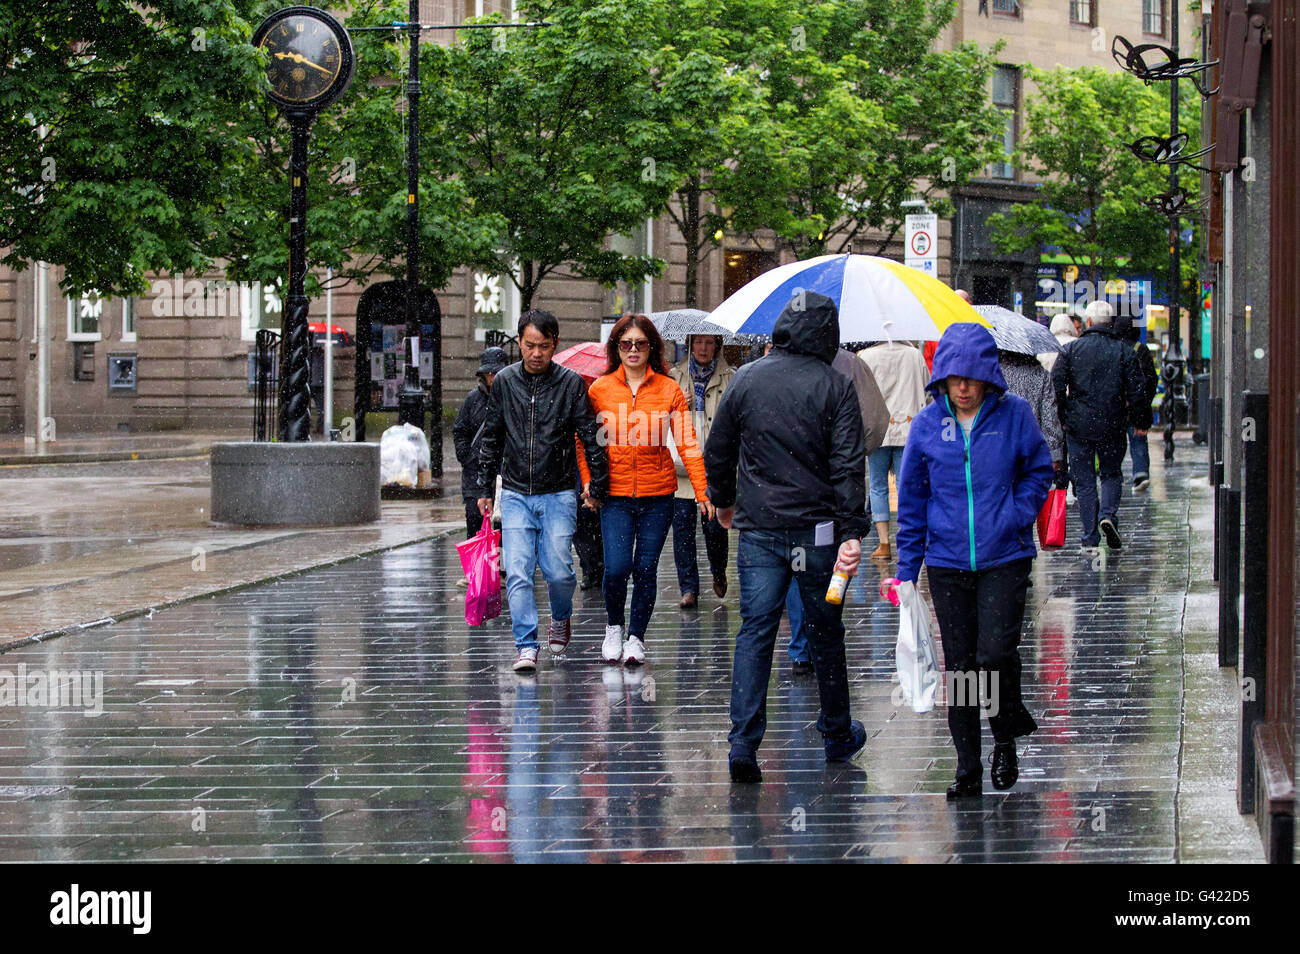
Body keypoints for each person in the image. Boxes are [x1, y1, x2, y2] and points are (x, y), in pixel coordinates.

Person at [705, 291, 868, 783]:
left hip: (758, 527)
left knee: (755, 631)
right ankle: (837, 731)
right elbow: (847, 467)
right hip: (818, 531)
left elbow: (718, 447)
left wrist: (725, 499)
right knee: (825, 632)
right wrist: (851, 531)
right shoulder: (835, 386)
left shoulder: (747, 380)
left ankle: (743, 743)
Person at [894, 322, 1053, 798]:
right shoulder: (926, 425)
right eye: (953, 378)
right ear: (941, 378)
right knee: (961, 667)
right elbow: (913, 499)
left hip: (1005, 555)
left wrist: (1016, 512)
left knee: (995, 654)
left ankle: (1004, 734)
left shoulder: (1014, 414)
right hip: (946, 562)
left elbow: (1039, 468)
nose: (962, 387)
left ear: (988, 377)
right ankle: (967, 766)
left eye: (971, 377)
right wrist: (906, 572)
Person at [475, 310, 610, 673]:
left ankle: (561, 616)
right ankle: (526, 644)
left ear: (555, 345)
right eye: (529, 345)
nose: (536, 353)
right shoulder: (503, 381)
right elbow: (492, 435)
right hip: (517, 492)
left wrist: (596, 485)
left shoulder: (569, 384)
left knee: (559, 571)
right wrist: (485, 486)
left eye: (544, 346)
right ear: (519, 342)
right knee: (517, 571)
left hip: (559, 492)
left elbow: (590, 434)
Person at [578, 314, 711, 667]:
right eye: (625, 343)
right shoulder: (600, 389)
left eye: (640, 343)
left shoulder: (668, 389)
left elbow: (687, 442)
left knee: (646, 568)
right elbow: (583, 440)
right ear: (616, 348)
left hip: (658, 495)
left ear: (651, 347)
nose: (633, 349)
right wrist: (588, 479)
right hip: (615, 496)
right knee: (618, 567)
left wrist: (701, 490)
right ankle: (614, 626)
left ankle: (637, 636)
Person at [782, 345, 888, 675]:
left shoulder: (777, 365)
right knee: (830, 562)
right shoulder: (851, 365)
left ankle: (802, 646)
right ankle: (822, 640)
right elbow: (875, 422)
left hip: (792, 487)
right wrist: (848, 454)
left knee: (799, 562)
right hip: (834, 489)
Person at [1050, 299, 1149, 553]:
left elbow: (1057, 387)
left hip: (1079, 426)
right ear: (1110, 323)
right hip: (1113, 423)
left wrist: (1063, 416)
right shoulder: (1124, 351)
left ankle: (1089, 537)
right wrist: (1141, 420)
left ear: (1089, 323)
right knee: (1111, 473)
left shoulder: (1071, 350)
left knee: (1083, 481)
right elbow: (1138, 389)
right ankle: (1108, 515)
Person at [668, 333, 734, 608]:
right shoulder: (674, 376)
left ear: (716, 346)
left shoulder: (730, 377)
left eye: (709, 343)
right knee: (682, 529)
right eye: (698, 342)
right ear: (689, 344)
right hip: (682, 466)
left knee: (715, 529)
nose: (703, 348)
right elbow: (657, 414)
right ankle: (688, 588)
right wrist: (675, 403)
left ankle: (718, 571)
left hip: (713, 465)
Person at [859, 339, 930, 562]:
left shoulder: (865, 357)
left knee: (878, 486)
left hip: (877, 430)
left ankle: (884, 543)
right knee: (905, 485)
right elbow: (928, 393)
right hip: (909, 430)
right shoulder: (914, 356)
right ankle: (908, 539)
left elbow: (859, 395)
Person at [453, 347, 508, 545]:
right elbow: (460, 430)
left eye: (496, 373)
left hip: (503, 472)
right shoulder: (473, 400)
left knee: (504, 524)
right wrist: (466, 456)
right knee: (475, 520)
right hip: (475, 471)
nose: (492, 377)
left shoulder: (511, 398)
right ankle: (478, 569)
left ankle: (502, 568)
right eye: (489, 373)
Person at [1115, 313, 1159, 492]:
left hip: (1116, 405)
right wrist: (1145, 401)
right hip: (1136, 404)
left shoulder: (1114, 348)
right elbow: (1151, 379)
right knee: (1138, 440)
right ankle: (1140, 473)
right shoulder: (1141, 349)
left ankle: (1114, 474)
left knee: (1115, 444)